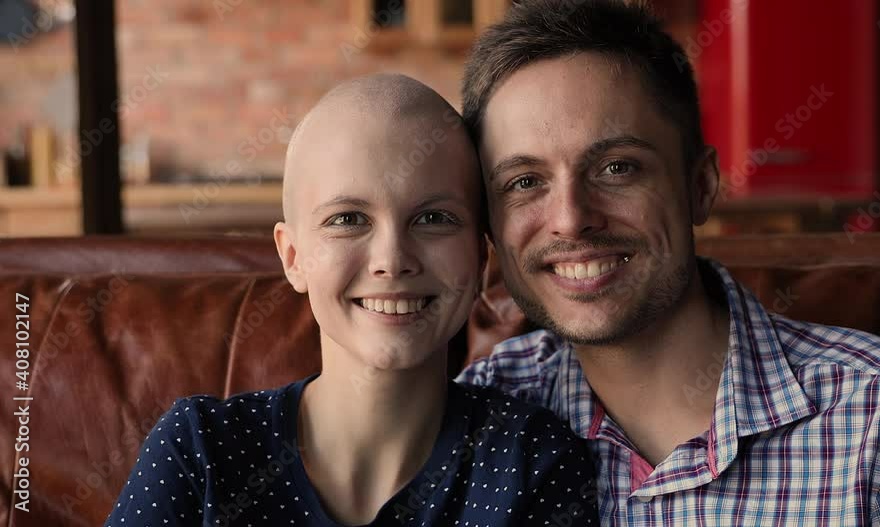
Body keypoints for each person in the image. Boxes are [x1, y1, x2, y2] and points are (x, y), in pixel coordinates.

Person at [456, 1, 880, 525]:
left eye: (617, 167)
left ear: (700, 186)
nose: (571, 219)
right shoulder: (479, 411)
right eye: (525, 182)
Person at [104, 74, 597, 526]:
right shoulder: (199, 451)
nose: (392, 259)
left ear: (479, 256)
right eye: (348, 219)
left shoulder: (533, 462)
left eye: (433, 219)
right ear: (292, 256)